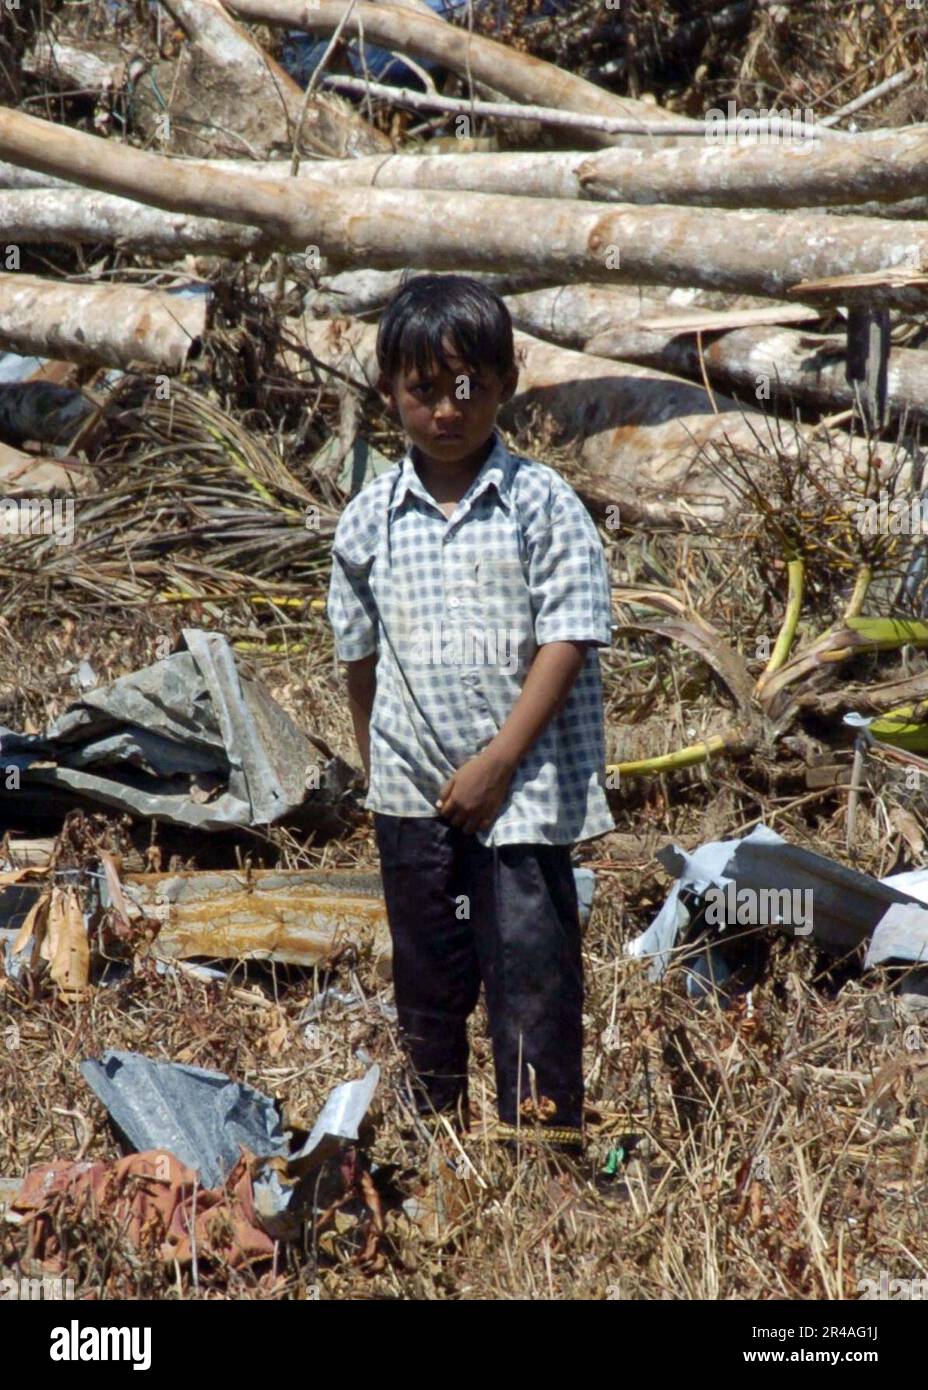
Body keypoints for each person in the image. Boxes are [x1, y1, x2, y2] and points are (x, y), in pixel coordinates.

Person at [327, 274, 615, 1154]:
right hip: (415, 800)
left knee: (532, 978)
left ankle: (542, 1155)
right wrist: (384, 772)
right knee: (429, 977)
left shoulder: (540, 503)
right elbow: (359, 656)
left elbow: (568, 638)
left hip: (522, 796)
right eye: (424, 390)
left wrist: (499, 763)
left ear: (504, 383)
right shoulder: (368, 519)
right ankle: (438, 1149)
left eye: (468, 389)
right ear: (388, 389)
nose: (447, 411)